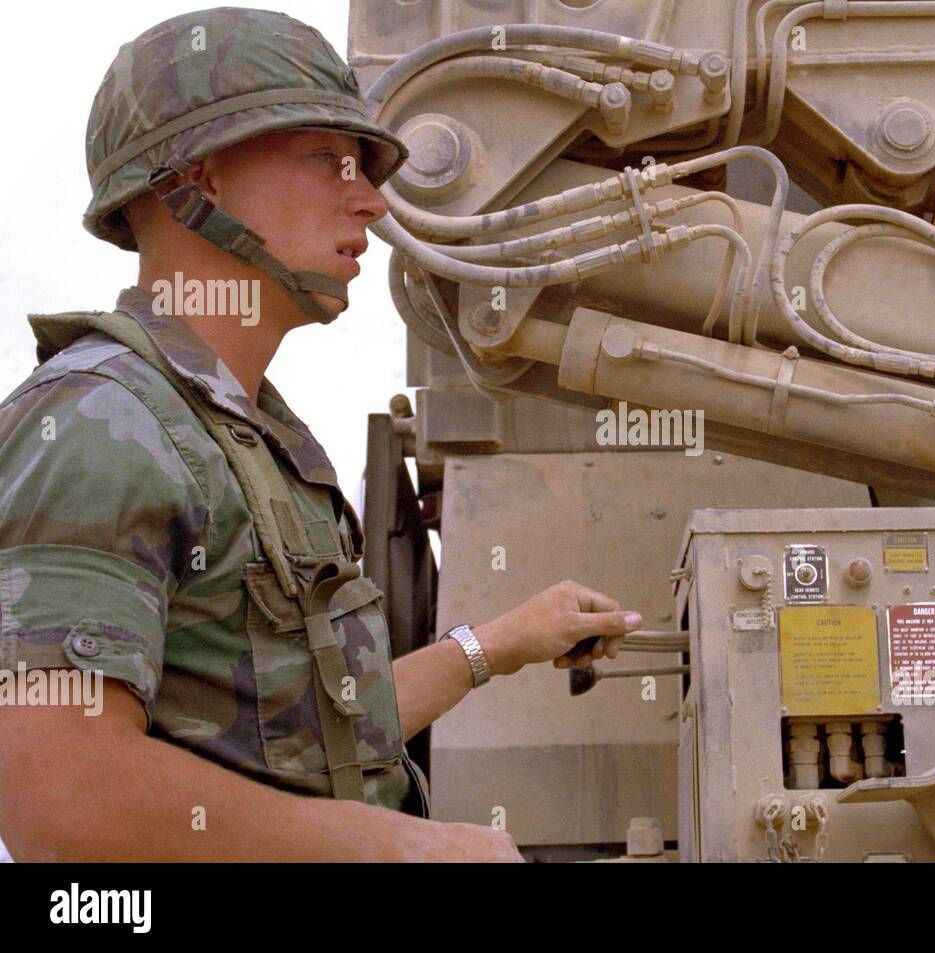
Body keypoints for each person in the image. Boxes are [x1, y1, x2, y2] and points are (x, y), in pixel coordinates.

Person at [0, 7, 640, 862]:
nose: (371, 201)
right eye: (327, 161)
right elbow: (59, 797)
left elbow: (305, 738)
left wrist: (500, 643)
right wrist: (400, 848)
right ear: (195, 180)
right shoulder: (98, 423)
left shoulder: (239, 430)